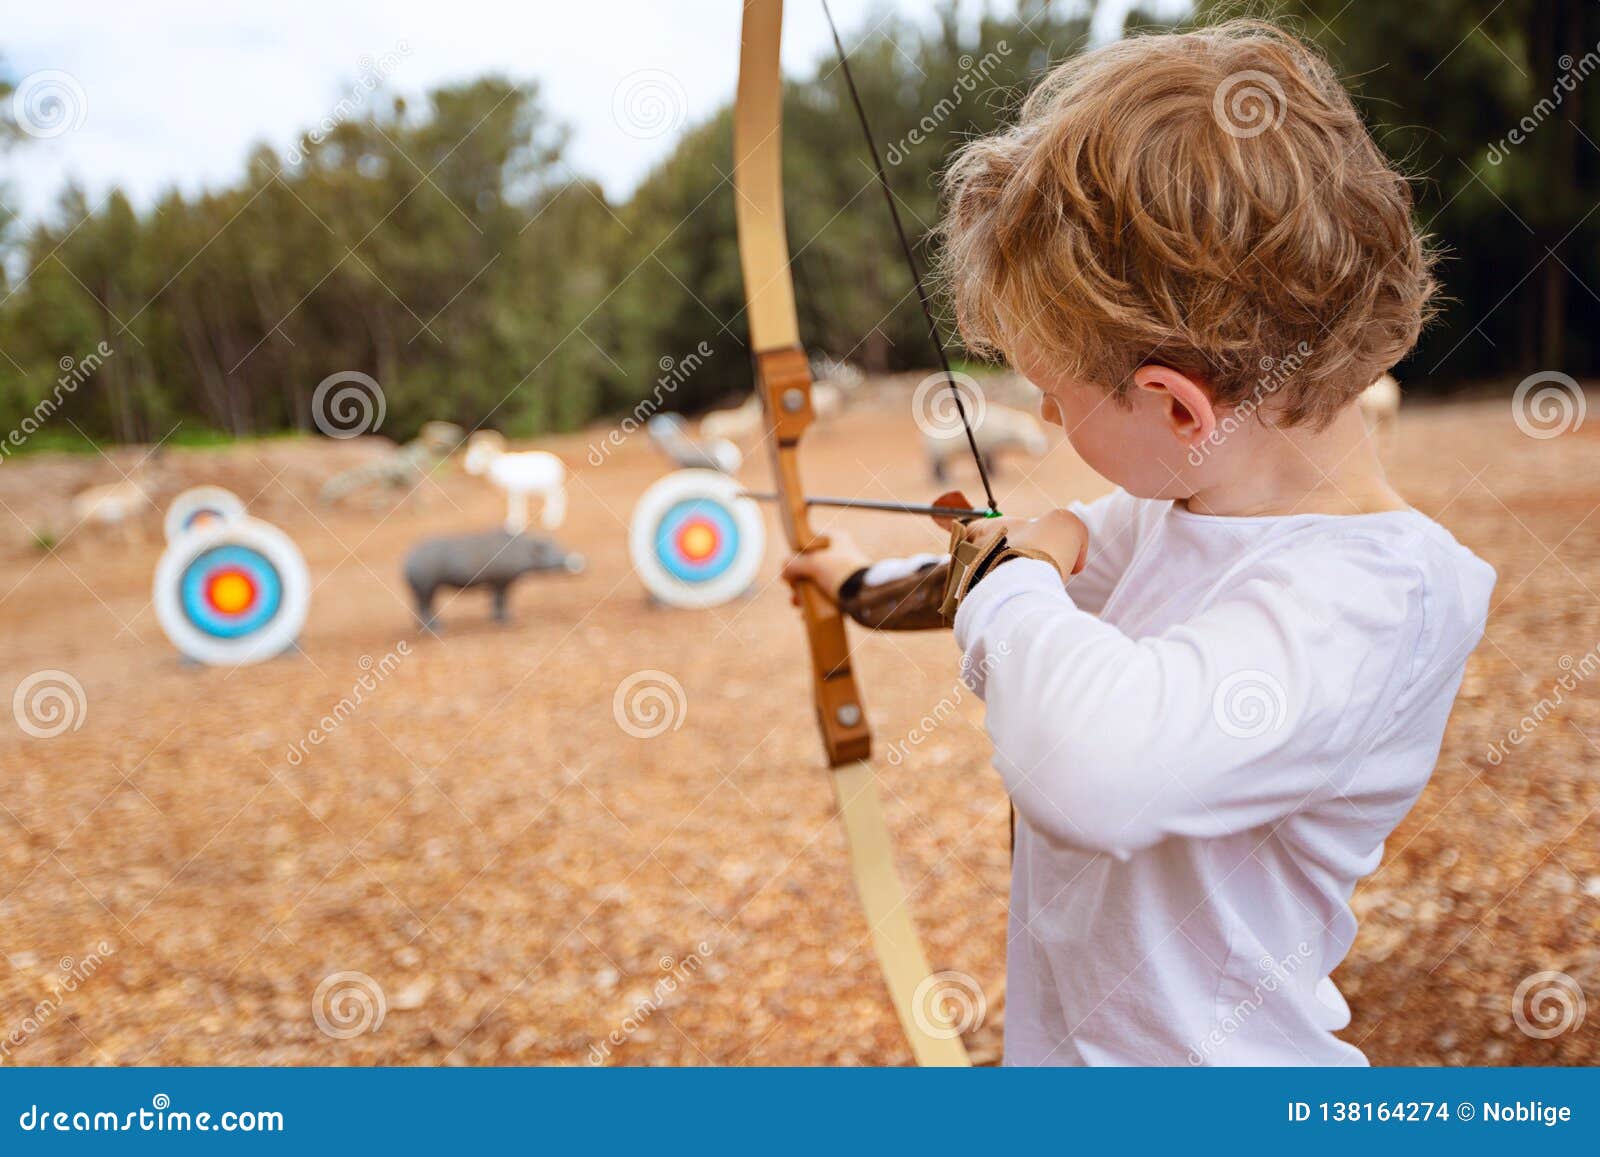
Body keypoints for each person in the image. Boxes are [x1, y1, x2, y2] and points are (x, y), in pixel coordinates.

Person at [783, 19, 1495, 1066]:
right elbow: (1012, 570)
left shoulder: (1375, 598)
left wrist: (1014, 574)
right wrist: (854, 583)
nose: (1041, 410)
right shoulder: (1188, 510)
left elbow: (1090, 766)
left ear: (1176, 411)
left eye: (1051, 392)